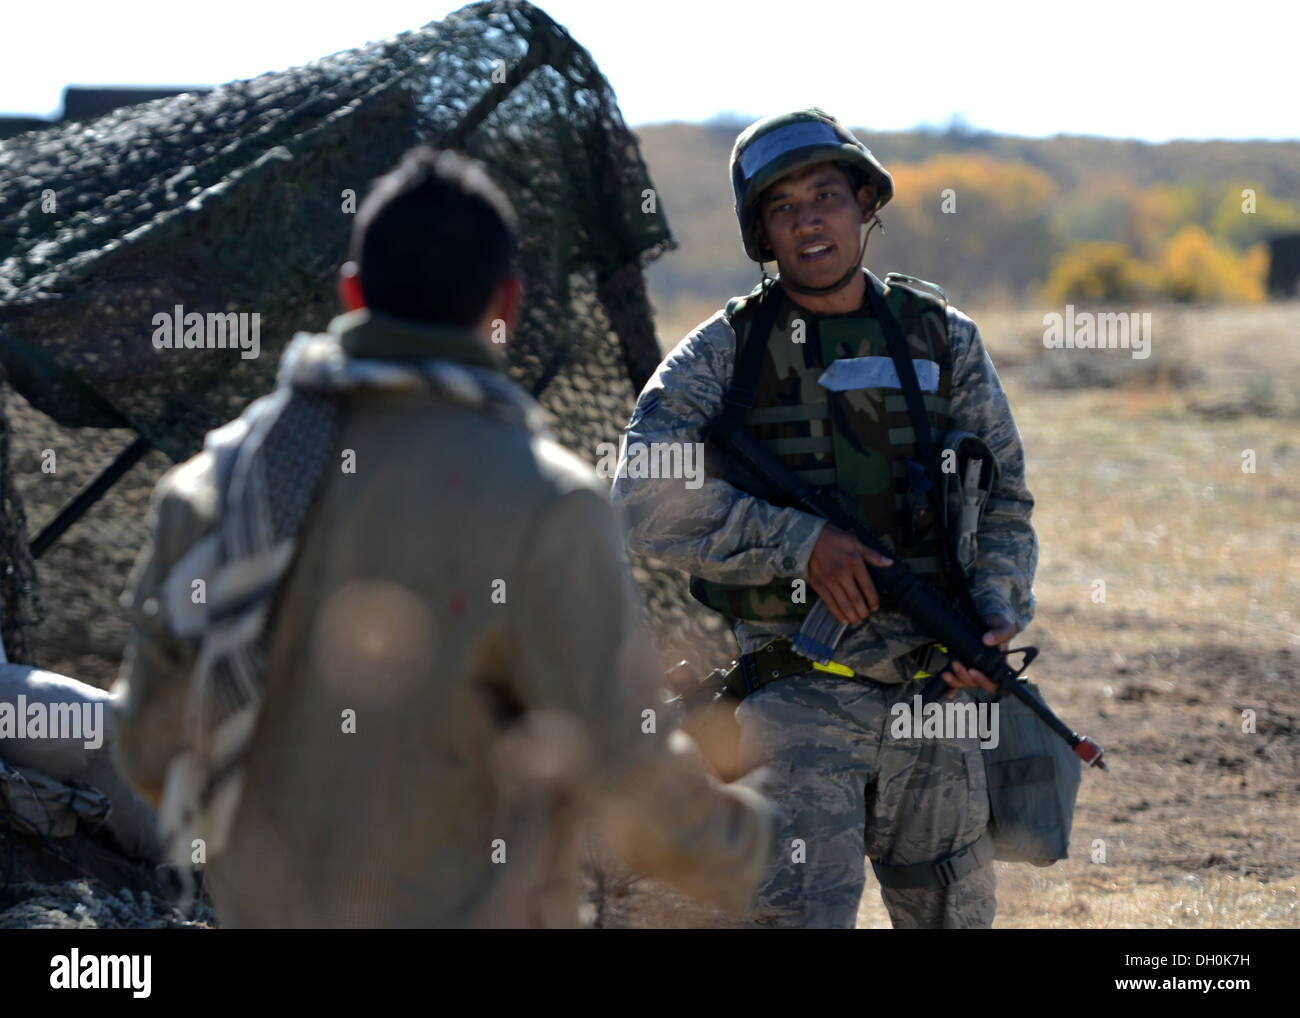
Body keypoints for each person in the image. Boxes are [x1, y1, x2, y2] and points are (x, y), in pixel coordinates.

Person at [111, 145, 775, 928]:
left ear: (352, 292)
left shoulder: (213, 490)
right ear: (508, 306)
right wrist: (755, 837)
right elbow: (630, 780)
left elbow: (147, 753)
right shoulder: (547, 503)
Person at [611, 109, 1038, 928]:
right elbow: (640, 493)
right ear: (761, 235)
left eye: (827, 195)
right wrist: (797, 544)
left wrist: (992, 614)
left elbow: (1005, 499)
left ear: (866, 203)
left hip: (934, 693)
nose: (809, 219)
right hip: (795, 699)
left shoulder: (944, 340)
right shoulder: (722, 353)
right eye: (782, 207)